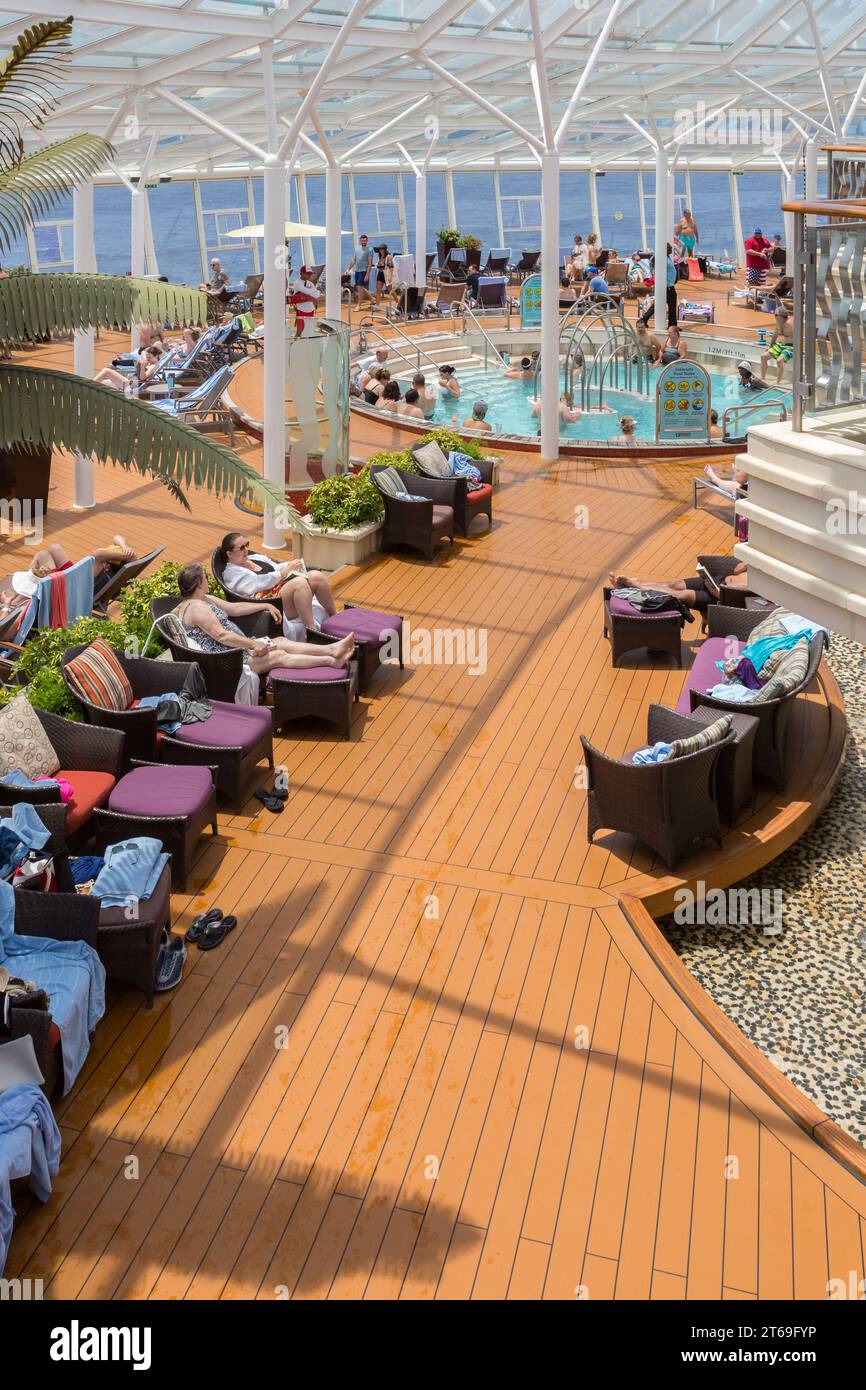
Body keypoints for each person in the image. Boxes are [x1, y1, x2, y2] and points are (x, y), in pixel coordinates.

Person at [175, 564, 354, 682]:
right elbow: (221, 635)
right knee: (279, 655)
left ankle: (332, 649)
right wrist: (254, 644)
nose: (208, 581)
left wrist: (266, 604)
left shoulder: (206, 599)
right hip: (230, 660)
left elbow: (234, 609)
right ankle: (331, 661)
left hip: (240, 649)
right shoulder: (196, 608)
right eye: (205, 578)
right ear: (199, 583)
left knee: (281, 642)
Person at [218, 531, 337, 638]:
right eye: (242, 547)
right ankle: (312, 632)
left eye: (247, 544)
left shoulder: (253, 558)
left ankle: (335, 617)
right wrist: (284, 572)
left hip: (279, 589)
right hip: (269, 602)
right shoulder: (231, 574)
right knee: (299, 583)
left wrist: (291, 565)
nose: (246, 549)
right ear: (230, 554)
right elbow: (259, 582)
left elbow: (275, 567)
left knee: (316, 576)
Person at [0, 537, 137, 619]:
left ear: (108, 565)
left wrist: (125, 555)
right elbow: (116, 537)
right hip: (73, 580)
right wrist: (125, 547)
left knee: (42, 556)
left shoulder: (100, 567)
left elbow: (98, 553)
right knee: (54, 548)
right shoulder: (111, 573)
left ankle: (27, 589)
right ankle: (30, 581)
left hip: (67, 591)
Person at [608, 560, 750, 611]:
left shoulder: (768, 584)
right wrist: (749, 563)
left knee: (684, 594)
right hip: (718, 581)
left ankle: (633, 585)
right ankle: (635, 584)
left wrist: (719, 593)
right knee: (675, 584)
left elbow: (743, 599)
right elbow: (736, 570)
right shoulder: (760, 564)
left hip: (722, 597)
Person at [94, 343, 164, 393]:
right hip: (130, 382)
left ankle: (87, 386)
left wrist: (142, 366)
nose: (148, 359)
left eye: (149, 358)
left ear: (156, 356)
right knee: (103, 382)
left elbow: (142, 378)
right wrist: (138, 366)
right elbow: (143, 352)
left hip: (131, 385)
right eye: (147, 357)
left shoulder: (153, 366)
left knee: (106, 371)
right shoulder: (152, 363)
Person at [759, 308, 793, 383]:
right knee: (763, 357)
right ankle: (762, 378)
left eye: (775, 315)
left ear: (780, 316)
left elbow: (798, 336)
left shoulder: (790, 323)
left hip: (790, 346)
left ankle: (777, 382)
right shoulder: (778, 323)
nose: (774, 316)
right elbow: (775, 335)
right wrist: (770, 346)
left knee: (779, 361)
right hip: (779, 345)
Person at [288, 266, 320, 336]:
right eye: (308, 273)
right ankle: (294, 346)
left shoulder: (310, 283)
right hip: (301, 311)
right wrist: (312, 296)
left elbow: (317, 294)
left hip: (310, 310)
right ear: (301, 273)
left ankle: (304, 345)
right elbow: (306, 291)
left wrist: (307, 294)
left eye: (310, 273)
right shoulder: (297, 282)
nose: (310, 275)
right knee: (300, 331)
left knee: (309, 330)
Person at [346, 234, 372, 302]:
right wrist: (348, 269)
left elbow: (370, 263)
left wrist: (367, 274)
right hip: (357, 271)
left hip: (364, 270)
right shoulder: (357, 249)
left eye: (365, 241)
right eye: (362, 241)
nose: (363, 242)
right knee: (359, 286)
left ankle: (359, 304)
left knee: (360, 287)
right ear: (360, 241)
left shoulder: (370, 250)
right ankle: (372, 298)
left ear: (367, 241)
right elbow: (353, 260)